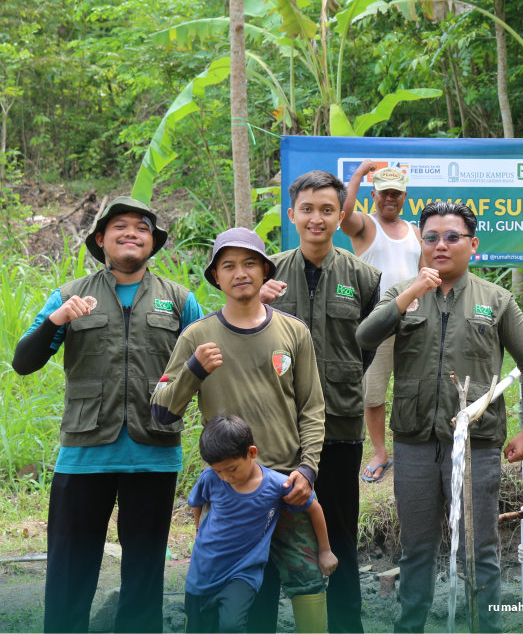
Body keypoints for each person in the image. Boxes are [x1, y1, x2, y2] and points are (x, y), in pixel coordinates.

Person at [12, 196, 202, 633]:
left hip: (153, 454)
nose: (130, 232)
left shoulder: (179, 300)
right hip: (84, 455)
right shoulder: (69, 296)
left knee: (144, 574)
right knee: (69, 573)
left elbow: (208, 363)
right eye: (119, 226)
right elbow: (24, 362)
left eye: (141, 227)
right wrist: (56, 319)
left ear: (152, 242)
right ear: (101, 239)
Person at [355, 201, 523, 633]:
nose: (441, 245)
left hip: (477, 446)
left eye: (452, 237)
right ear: (420, 243)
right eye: (431, 237)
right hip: (414, 444)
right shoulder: (403, 292)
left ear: (472, 244)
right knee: (417, 549)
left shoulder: (496, 300)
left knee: (479, 551)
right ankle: (410, 627)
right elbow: (364, 336)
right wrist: (408, 295)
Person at [150, 227, 330, 633]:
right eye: (228, 265)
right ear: (216, 276)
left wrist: (308, 469)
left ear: (266, 270)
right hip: (230, 489)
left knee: (305, 580)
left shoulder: (293, 331)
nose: (240, 273)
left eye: (250, 263)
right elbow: (161, 413)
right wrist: (194, 371)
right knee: (230, 592)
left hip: (286, 482)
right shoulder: (196, 337)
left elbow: (313, 408)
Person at [261, 169, 382, 632]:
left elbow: (366, 344)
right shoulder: (266, 271)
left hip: (340, 426)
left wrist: (342, 378)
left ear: (341, 215)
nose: (317, 218)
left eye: (327, 210)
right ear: (291, 215)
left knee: (340, 533)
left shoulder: (364, 277)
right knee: (267, 532)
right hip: (276, 427)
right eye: (307, 209)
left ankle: (345, 626)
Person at [185, 414, 338, 634]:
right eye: (220, 471)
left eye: (232, 469)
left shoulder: (276, 484)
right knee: (198, 626)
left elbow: (313, 507)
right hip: (204, 568)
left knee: (232, 625)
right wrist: (199, 530)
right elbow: (197, 501)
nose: (226, 477)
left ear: (252, 453)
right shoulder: (211, 478)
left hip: (242, 571)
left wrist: (325, 550)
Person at [342, 161, 422, 484]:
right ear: (373, 195)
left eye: (397, 193)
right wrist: (359, 174)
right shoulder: (364, 226)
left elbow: (427, 273)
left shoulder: (415, 231)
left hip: (414, 322)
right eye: (384, 193)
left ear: (404, 197)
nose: (390, 198)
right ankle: (379, 453)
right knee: (373, 393)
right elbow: (342, 216)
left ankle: (412, 448)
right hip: (375, 321)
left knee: (415, 387)